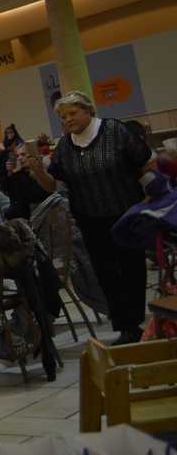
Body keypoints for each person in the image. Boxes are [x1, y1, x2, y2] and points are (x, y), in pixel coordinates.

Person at [24, 91, 156, 345]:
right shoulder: (64, 146)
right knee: (105, 274)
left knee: (131, 269)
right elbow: (52, 185)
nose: (67, 120)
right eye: (63, 117)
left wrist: (150, 198)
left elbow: (145, 163)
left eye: (72, 114)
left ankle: (136, 321)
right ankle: (125, 327)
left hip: (126, 214)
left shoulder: (115, 131)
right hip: (90, 219)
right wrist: (38, 170)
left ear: (88, 111)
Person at [2, 144, 50, 220]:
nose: (20, 158)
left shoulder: (40, 170)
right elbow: (12, 196)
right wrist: (10, 173)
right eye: (17, 156)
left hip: (41, 214)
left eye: (23, 154)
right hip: (24, 216)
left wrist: (17, 174)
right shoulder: (21, 172)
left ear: (32, 155)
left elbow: (33, 196)